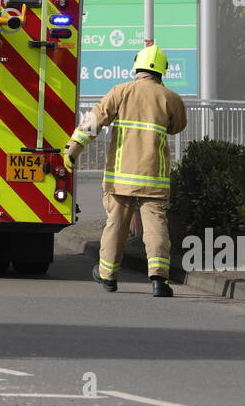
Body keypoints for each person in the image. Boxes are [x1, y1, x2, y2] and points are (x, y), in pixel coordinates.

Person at [63, 44, 187, 297]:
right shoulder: (170, 98)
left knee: (116, 224)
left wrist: (73, 149)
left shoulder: (120, 92)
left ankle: (107, 276)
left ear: (136, 67)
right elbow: (177, 127)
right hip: (154, 177)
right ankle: (159, 281)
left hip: (121, 177)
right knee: (156, 227)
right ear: (162, 71)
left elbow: (93, 122)